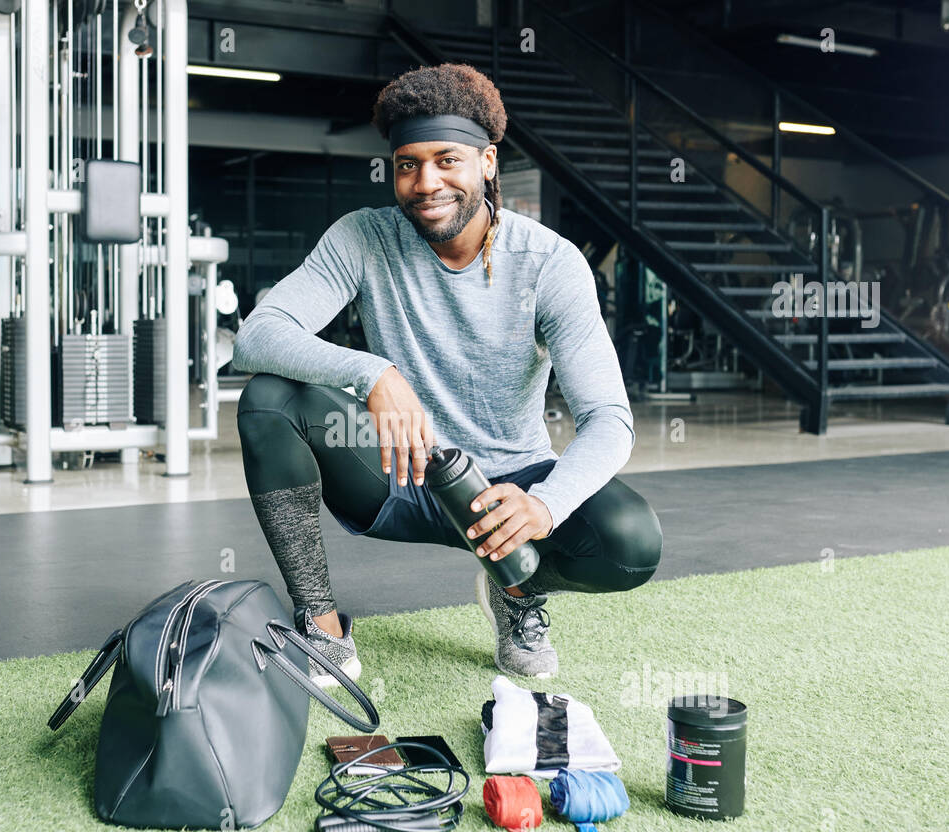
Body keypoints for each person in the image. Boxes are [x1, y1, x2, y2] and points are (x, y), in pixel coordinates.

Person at [232, 63, 661, 686]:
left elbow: (609, 419)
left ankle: (516, 593)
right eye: (408, 164)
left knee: (630, 543)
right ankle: (320, 628)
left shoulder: (550, 263)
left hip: (505, 492)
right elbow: (257, 336)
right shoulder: (364, 236)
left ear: (487, 162)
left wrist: (543, 507)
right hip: (399, 476)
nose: (425, 182)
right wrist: (372, 373)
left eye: (447, 160)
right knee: (269, 399)